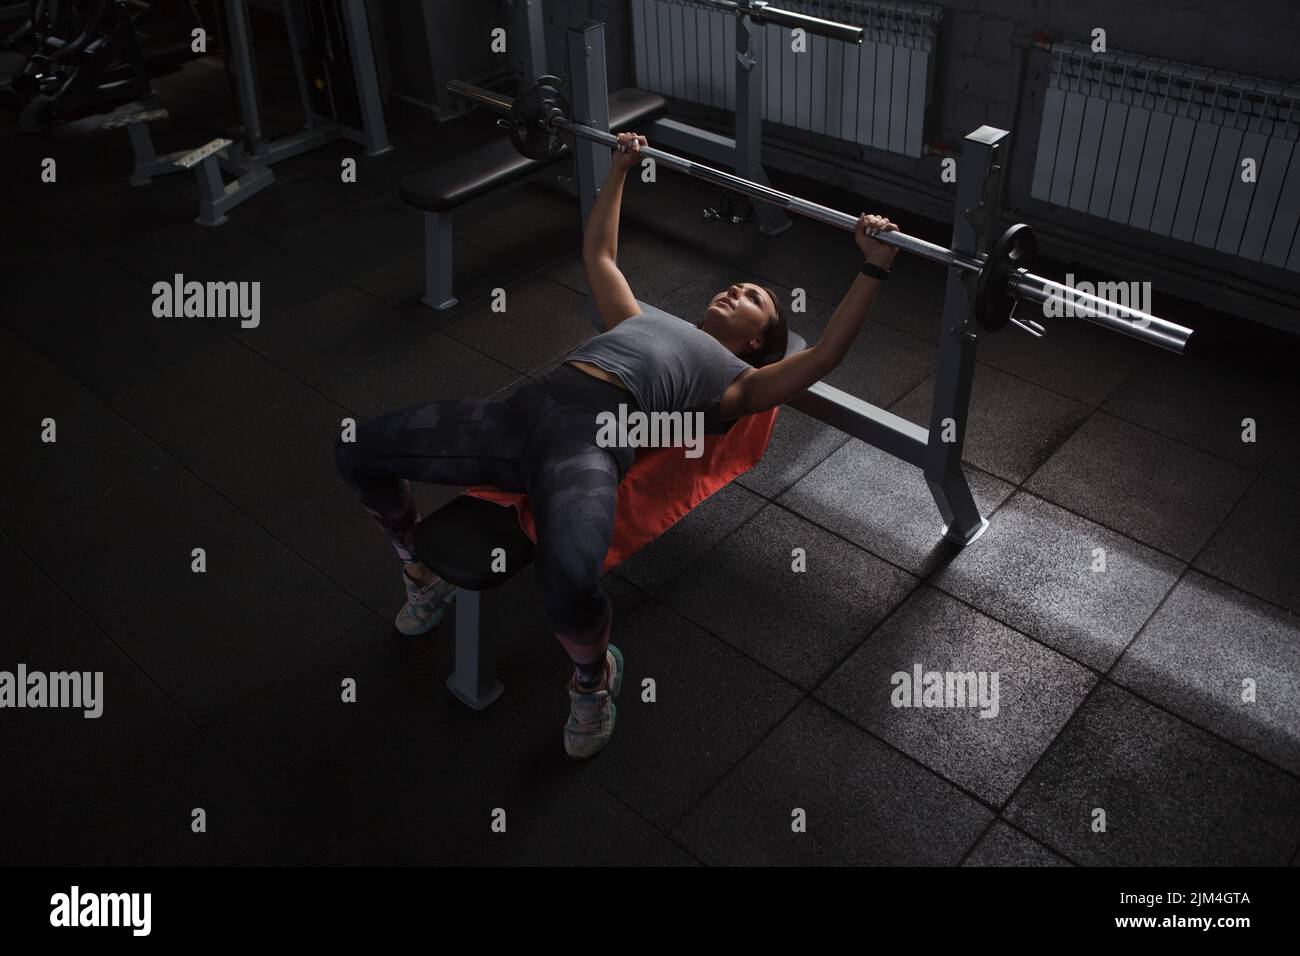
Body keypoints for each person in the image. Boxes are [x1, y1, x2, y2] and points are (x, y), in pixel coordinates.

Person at [334, 132, 900, 759]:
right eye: (738, 285)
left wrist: (873, 264)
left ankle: (592, 680)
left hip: (585, 449)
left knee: (571, 580)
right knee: (358, 448)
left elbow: (824, 356)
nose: (736, 291)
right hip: (517, 416)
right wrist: (620, 167)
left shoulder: (738, 385)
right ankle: (416, 564)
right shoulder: (642, 318)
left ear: (757, 342)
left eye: (754, 299)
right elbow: (600, 255)